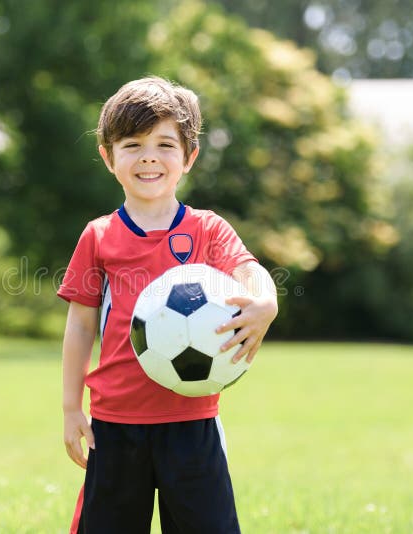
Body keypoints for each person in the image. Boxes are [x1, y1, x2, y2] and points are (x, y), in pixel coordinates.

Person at [57, 76, 278, 533]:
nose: (149, 157)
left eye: (164, 144)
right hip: (114, 424)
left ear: (189, 156)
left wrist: (266, 303)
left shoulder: (207, 230)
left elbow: (249, 271)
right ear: (107, 156)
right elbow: (80, 326)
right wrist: (70, 408)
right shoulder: (98, 236)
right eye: (132, 144)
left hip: (191, 421)